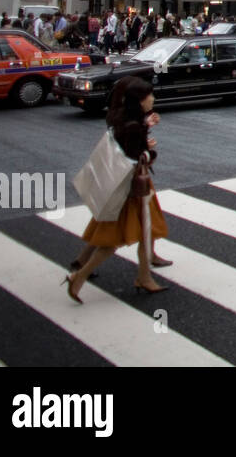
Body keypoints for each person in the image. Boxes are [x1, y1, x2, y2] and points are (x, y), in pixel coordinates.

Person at [65, 77, 170, 302]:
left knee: (140, 232)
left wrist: (146, 127)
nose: (153, 98)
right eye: (149, 96)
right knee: (115, 239)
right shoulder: (133, 127)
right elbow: (136, 158)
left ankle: (143, 275)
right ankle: (79, 276)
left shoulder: (123, 118)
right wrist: (149, 151)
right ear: (139, 101)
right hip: (132, 189)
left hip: (126, 186)